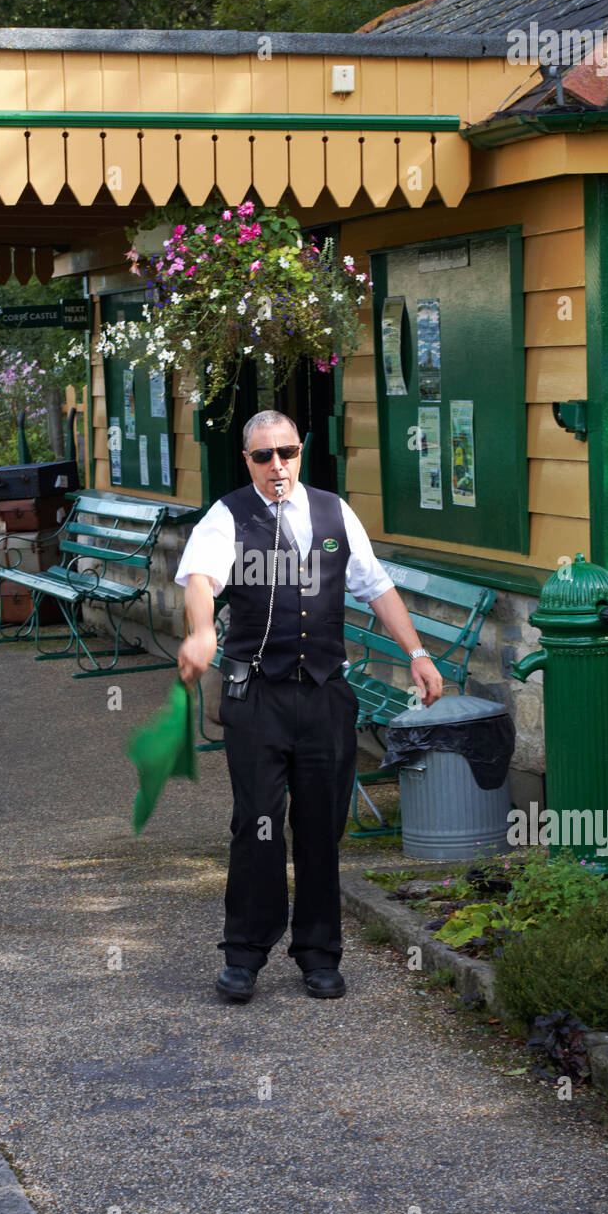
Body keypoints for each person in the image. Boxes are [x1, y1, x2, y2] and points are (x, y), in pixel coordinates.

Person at [176, 410, 442, 1002]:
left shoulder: (333, 511)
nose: (278, 466)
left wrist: (419, 653)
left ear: (301, 454)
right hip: (257, 698)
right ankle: (244, 955)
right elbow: (199, 579)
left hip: (325, 695)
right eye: (263, 456)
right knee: (258, 826)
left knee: (321, 827)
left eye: (288, 453)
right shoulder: (227, 516)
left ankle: (319, 955)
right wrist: (201, 631)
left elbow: (375, 585)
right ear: (246, 460)